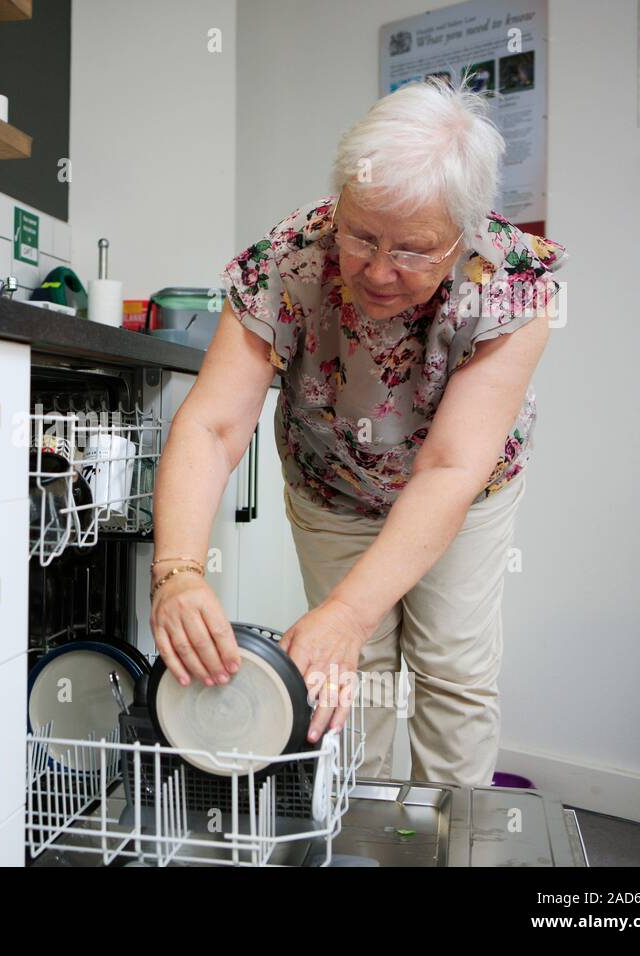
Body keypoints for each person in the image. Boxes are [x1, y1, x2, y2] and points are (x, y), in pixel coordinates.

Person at [148, 78, 566, 786]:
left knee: (453, 673)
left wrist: (348, 609)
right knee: (351, 671)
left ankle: (453, 838)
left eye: (410, 251)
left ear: (465, 234)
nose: (376, 270)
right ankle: (355, 835)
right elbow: (215, 426)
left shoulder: (514, 285)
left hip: (460, 492)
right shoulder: (289, 257)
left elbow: (448, 469)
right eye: (361, 236)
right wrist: (178, 573)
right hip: (332, 481)